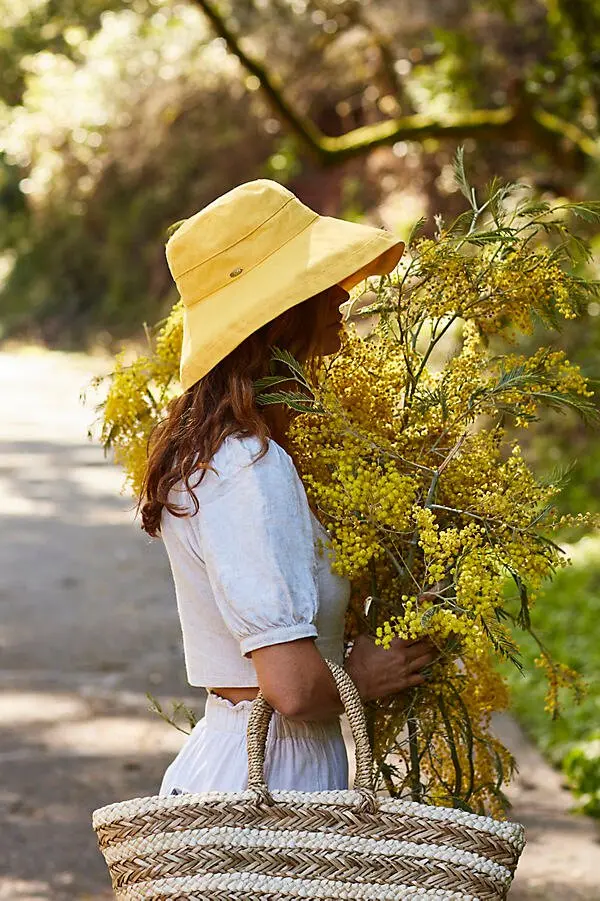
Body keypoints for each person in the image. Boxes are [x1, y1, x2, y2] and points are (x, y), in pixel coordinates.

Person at [138, 179, 438, 796]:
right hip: (275, 779)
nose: (340, 326)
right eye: (327, 302)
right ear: (282, 325)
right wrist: (367, 674)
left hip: (268, 769)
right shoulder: (249, 467)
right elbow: (294, 690)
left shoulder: (229, 453)